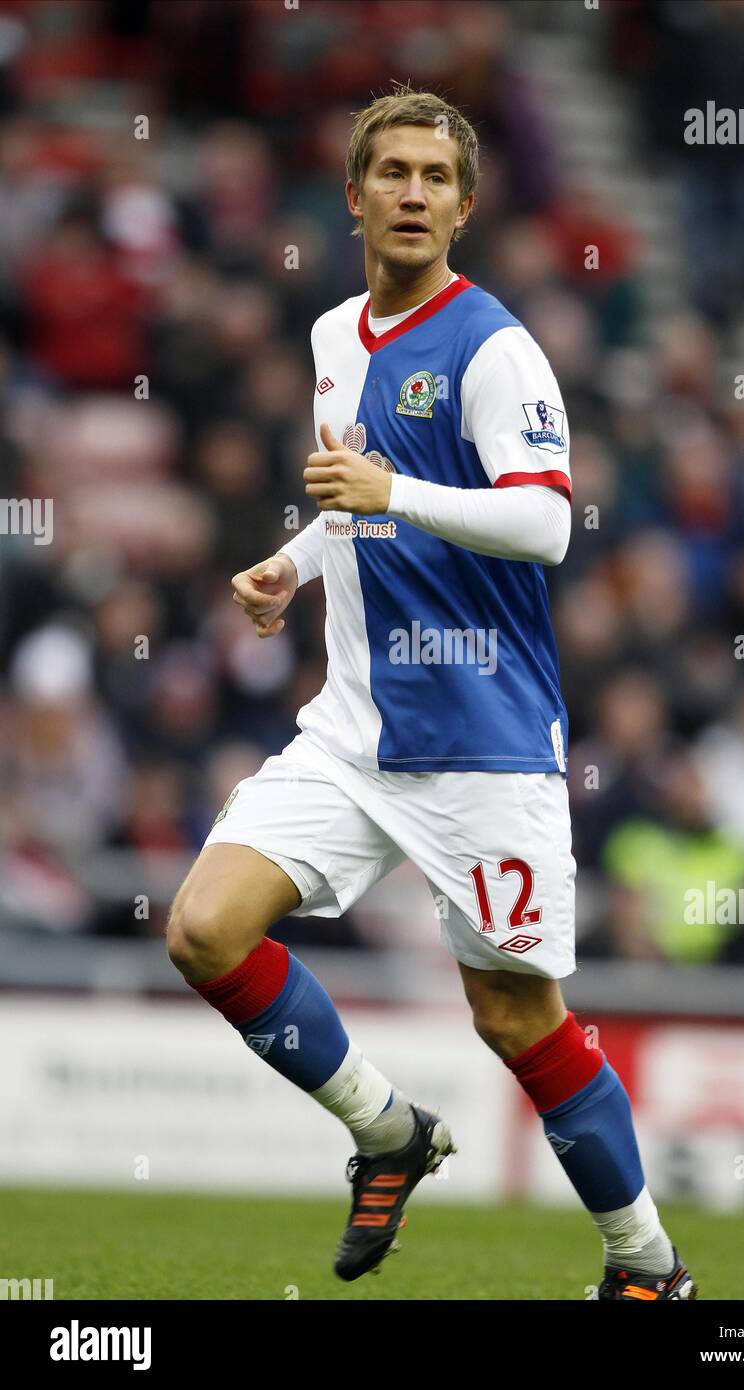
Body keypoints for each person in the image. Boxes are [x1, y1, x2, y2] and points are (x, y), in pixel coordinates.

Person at [165, 82, 695, 1300]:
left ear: (464, 204)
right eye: (391, 173)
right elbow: (354, 494)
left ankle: (648, 1266)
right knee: (202, 927)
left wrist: (389, 496)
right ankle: (389, 1129)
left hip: (485, 743)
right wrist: (295, 564)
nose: (413, 193)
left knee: (517, 1019)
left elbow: (545, 521)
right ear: (352, 197)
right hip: (355, 729)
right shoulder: (331, 336)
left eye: (436, 177)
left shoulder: (497, 346)